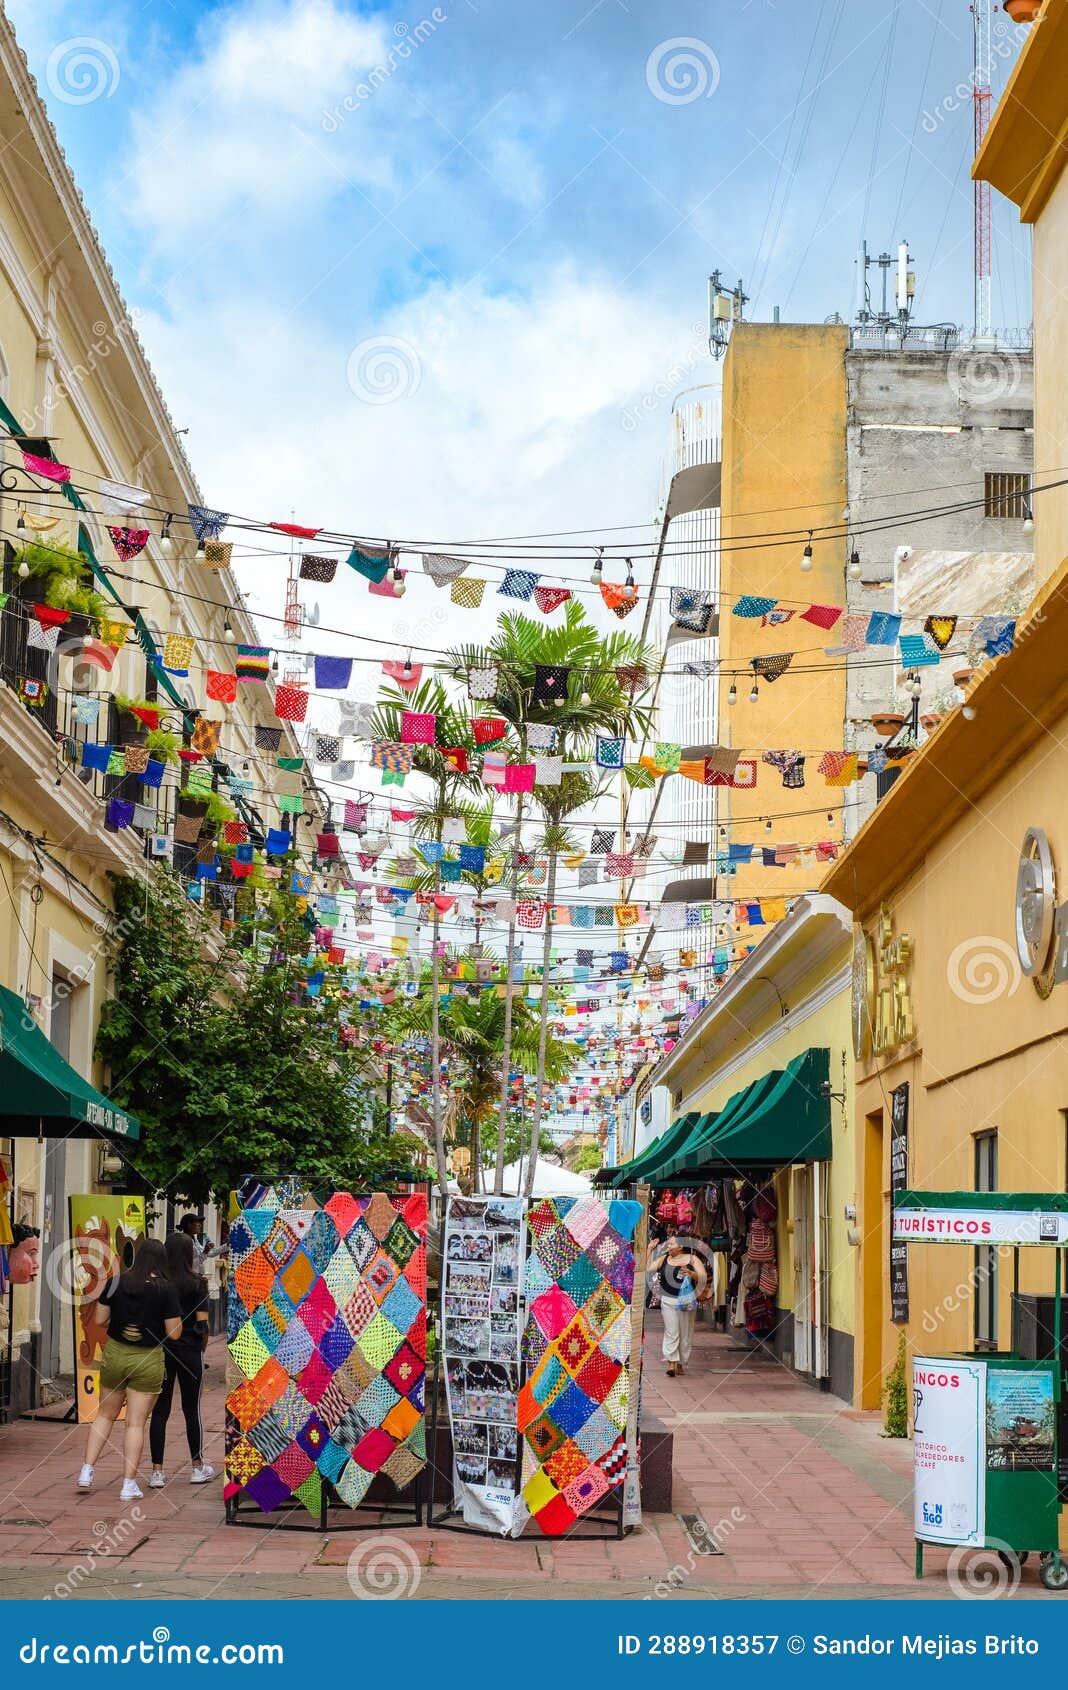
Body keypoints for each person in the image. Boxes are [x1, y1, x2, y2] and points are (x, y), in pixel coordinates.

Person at [78, 1237, 181, 1501]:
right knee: (135, 1424)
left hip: (115, 1355)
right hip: (148, 1360)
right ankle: (127, 1484)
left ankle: (87, 1470)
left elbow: (100, 1319)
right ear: (162, 1261)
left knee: (104, 1415)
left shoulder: (115, 1282)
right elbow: (174, 1333)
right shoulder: (166, 1289)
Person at [148, 1232, 215, 1487]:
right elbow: (203, 1324)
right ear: (189, 1254)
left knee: (160, 1411)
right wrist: (201, 1348)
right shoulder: (198, 1283)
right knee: (191, 1409)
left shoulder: (158, 1284)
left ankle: (157, 1472)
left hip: (162, 1352)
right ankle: (197, 1466)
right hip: (190, 1351)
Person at [649, 1234, 705, 1377]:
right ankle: (671, 1364)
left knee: (685, 1333)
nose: (668, 1247)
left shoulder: (693, 1259)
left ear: (680, 1247)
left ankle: (681, 1363)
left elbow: (703, 1277)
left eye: (671, 1245)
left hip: (686, 1302)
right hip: (668, 1301)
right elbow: (647, 1268)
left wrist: (691, 1273)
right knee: (671, 1331)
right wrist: (650, 1249)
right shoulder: (664, 1259)